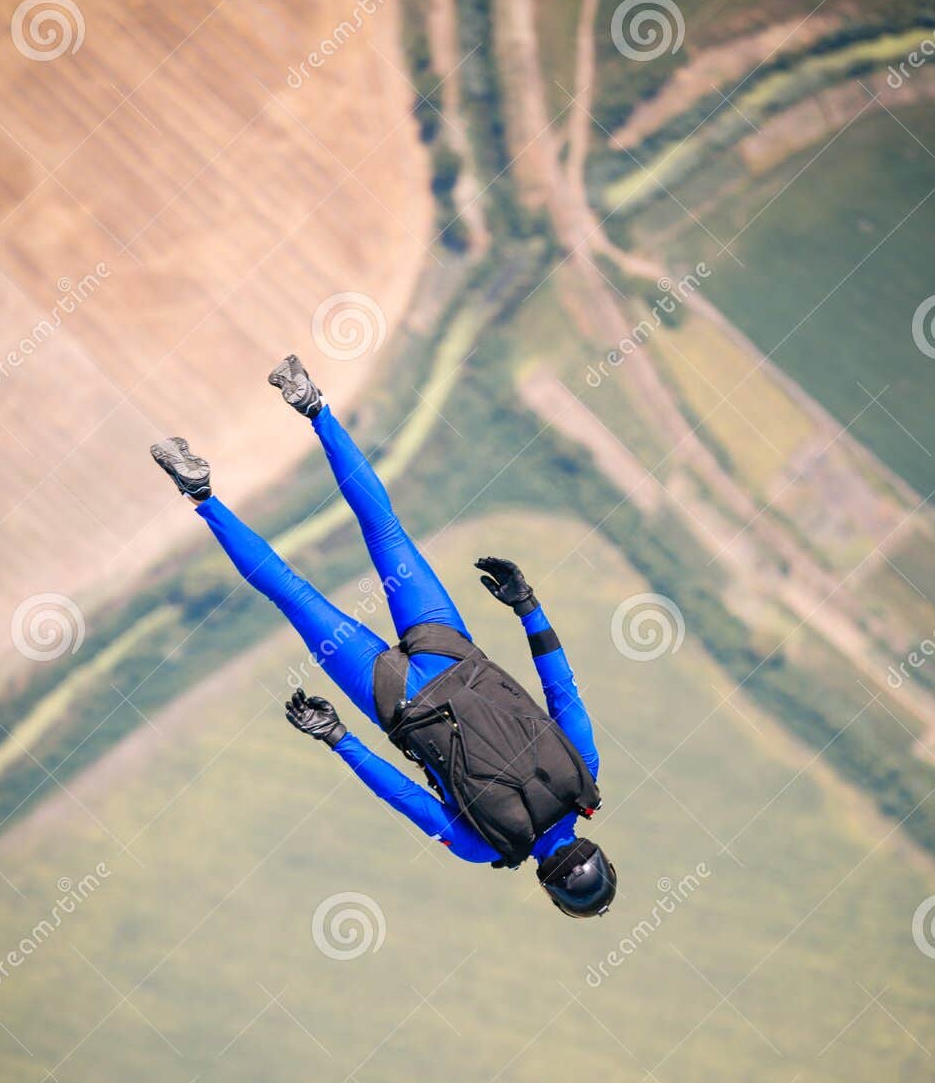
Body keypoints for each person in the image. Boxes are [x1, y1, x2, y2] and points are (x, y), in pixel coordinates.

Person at [150, 355, 617, 917]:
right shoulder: (486, 847)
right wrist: (336, 736)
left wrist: (527, 607)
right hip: (396, 700)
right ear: (547, 885)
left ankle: (313, 406)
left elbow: (560, 685)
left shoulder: (583, 770)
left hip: (451, 652)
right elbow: (402, 794)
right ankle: (200, 492)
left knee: (385, 530)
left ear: (597, 852)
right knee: (293, 594)